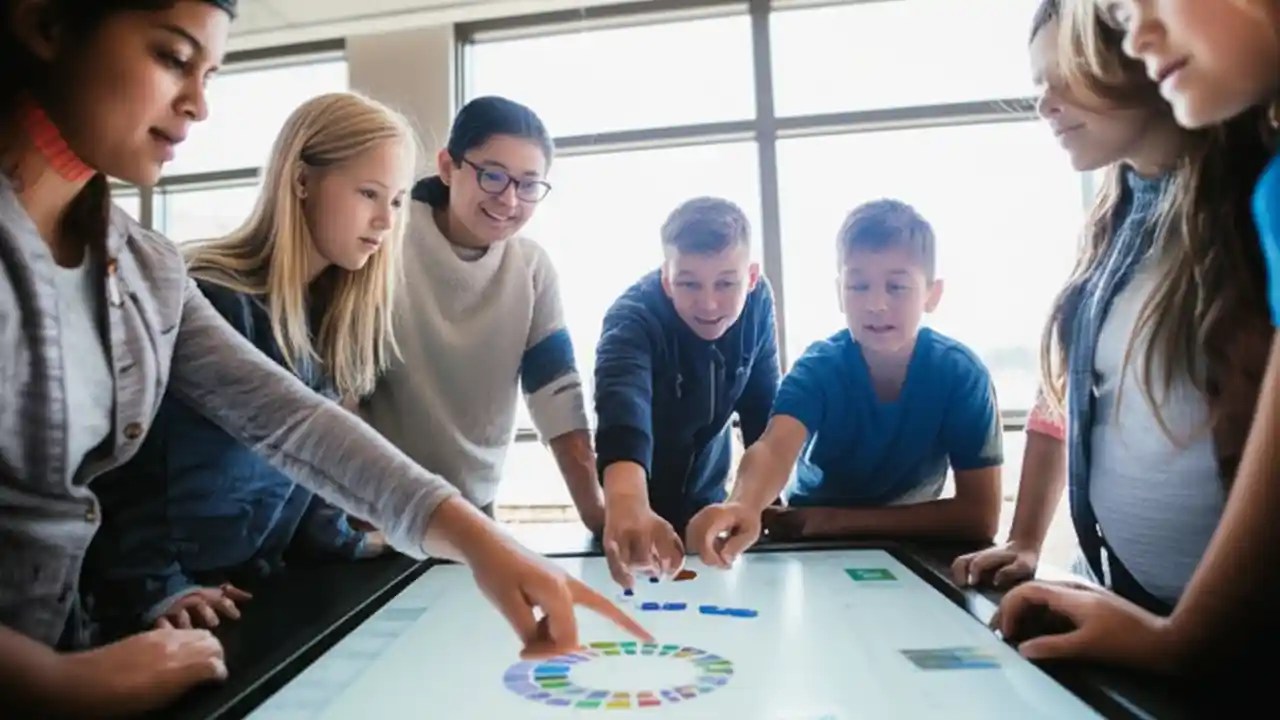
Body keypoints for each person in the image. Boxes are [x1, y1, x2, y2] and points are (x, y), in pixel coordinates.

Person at [0, 2, 647, 716]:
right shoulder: (207, 286)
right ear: (46, 23)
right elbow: (138, 488)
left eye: (209, 74)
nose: (199, 106)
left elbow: (296, 425)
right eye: (173, 58)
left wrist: (484, 543)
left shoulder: (150, 267)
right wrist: (64, 678)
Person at [953, 0, 1273, 620]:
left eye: (1064, 75)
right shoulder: (1112, 219)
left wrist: (1190, 641)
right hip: (1126, 599)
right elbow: (1065, 392)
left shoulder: (1249, 206)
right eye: (1039, 86)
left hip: (1234, 627)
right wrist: (1025, 539)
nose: (1044, 105)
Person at [82, 91, 421, 639]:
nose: (385, 220)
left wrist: (356, 540)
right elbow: (124, 463)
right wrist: (157, 588)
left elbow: (306, 471)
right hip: (155, 611)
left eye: (398, 201)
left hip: (246, 596)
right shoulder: (213, 301)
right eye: (368, 193)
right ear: (302, 181)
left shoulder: (329, 320)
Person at [687, 198, 1003, 566]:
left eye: (896, 287)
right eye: (858, 286)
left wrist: (835, 521)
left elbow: (980, 517)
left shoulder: (961, 374)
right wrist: (743, 504)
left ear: (932, 294)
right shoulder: (818, 367)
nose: (876, 304)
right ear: (840, 293)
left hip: (905, 545)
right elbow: (774, 448)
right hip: (812, 544)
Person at [357, 95, 606, 533]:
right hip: (374, 511)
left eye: (528, 185)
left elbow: (557, 398)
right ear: (448, 166)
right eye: (492, 175)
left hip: (474, 510)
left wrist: (599, 519)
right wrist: (354, 512)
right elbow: (341, 392)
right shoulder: (384, 242)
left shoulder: (531, 268)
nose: (509, 200)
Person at [594, 196, 780, 588]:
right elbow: (623, 411)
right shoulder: (631, 318)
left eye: (726, 283)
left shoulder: (759, 302)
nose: (709, 304)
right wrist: (627, 505)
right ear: (667, 279)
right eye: (689, 283)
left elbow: (763, 411)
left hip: (711, 507)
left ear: (750, 277)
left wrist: (755, 503)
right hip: (635, 509)